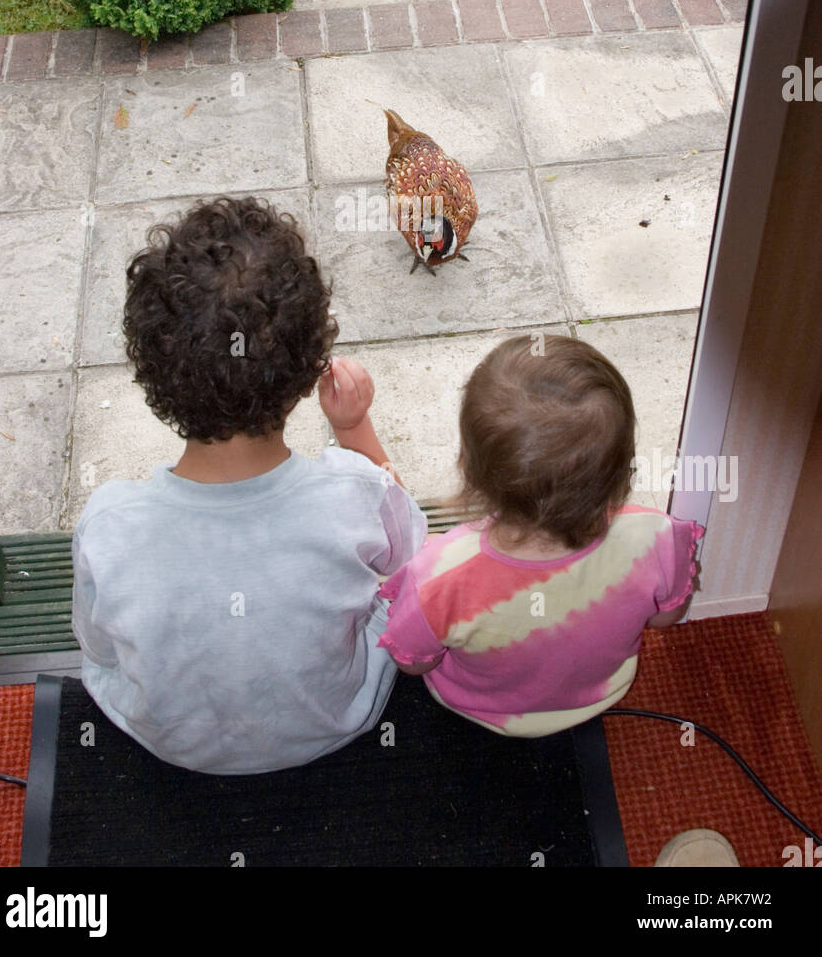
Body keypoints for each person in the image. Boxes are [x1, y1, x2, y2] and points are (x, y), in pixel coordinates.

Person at [71, 196, 427, 774]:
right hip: (335, 722)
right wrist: (354, 427)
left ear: (152, 376)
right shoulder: (355, 493)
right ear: (312, 368)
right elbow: (415, 561)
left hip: (172, 745)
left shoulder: (110, 522)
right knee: (391, 594)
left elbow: (100, 650)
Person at [377, 333, 703, 736]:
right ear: (621, 471)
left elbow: (413, 662)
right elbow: (667, 618)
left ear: (468, 468)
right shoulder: (657, 539)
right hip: (602, 691)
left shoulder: (438, 576)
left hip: (477, 707)